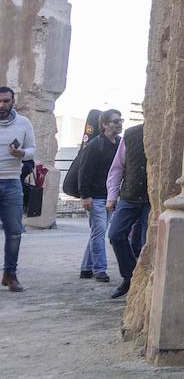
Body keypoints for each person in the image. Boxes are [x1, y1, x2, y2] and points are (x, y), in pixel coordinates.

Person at [105, 121, 150, 299]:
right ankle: (129, 276)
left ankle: (144, 281)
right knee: (115, 234)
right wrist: (112, 196)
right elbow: (117, 167)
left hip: (150, 198)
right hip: (129, 195)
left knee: (147, 241)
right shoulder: (131, 134)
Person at [77, 109, 122, 282]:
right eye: (115, 121)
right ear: (104, 124)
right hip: (95, 196)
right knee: (99, 231)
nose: (119, 124)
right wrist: (85, 195)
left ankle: (86, 268)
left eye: (121, 120)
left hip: (110, 196)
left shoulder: (120, 144)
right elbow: (84, 172)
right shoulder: (95, 145)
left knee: (98, 231)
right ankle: (99, 269)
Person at [0, 86, 36, 292]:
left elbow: (32, 150)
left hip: (12, 182)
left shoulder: (24, 123)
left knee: (14, 232)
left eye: (6, 101)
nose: (2, 105)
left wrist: (21, 153)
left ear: (13, 101)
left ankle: (10, 274)